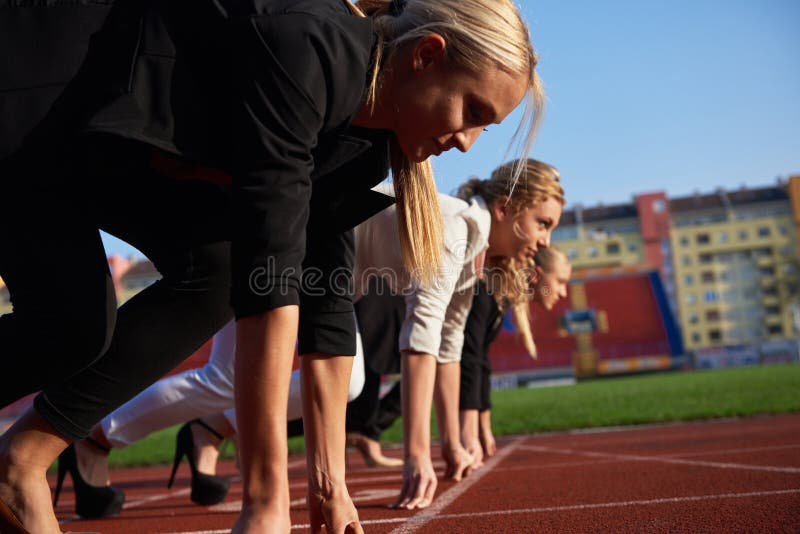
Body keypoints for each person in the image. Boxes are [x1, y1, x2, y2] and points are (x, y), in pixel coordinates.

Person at [0, 0, 545, 532]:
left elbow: (324, 299)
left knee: (203, 280)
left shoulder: (363, 146)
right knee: (76, 322)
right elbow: (271, 277)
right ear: (426, 55)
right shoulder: (311, 48)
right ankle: (23, 462)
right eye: (473, 112)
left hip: (100, 140)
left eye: (486, 128)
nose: (469, 144)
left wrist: (329, 484)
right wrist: (265, 504)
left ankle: (19, 460)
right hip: (33, 91)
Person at [459, 246, 572, 466]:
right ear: (536, 274)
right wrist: (468, 434)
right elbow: (470, 357)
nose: (563, 292)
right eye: (559, 281)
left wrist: (484, 425)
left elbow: (480, 359)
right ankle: (371, 430)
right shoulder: (487, 287)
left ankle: (371, 430)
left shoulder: (502, 295)